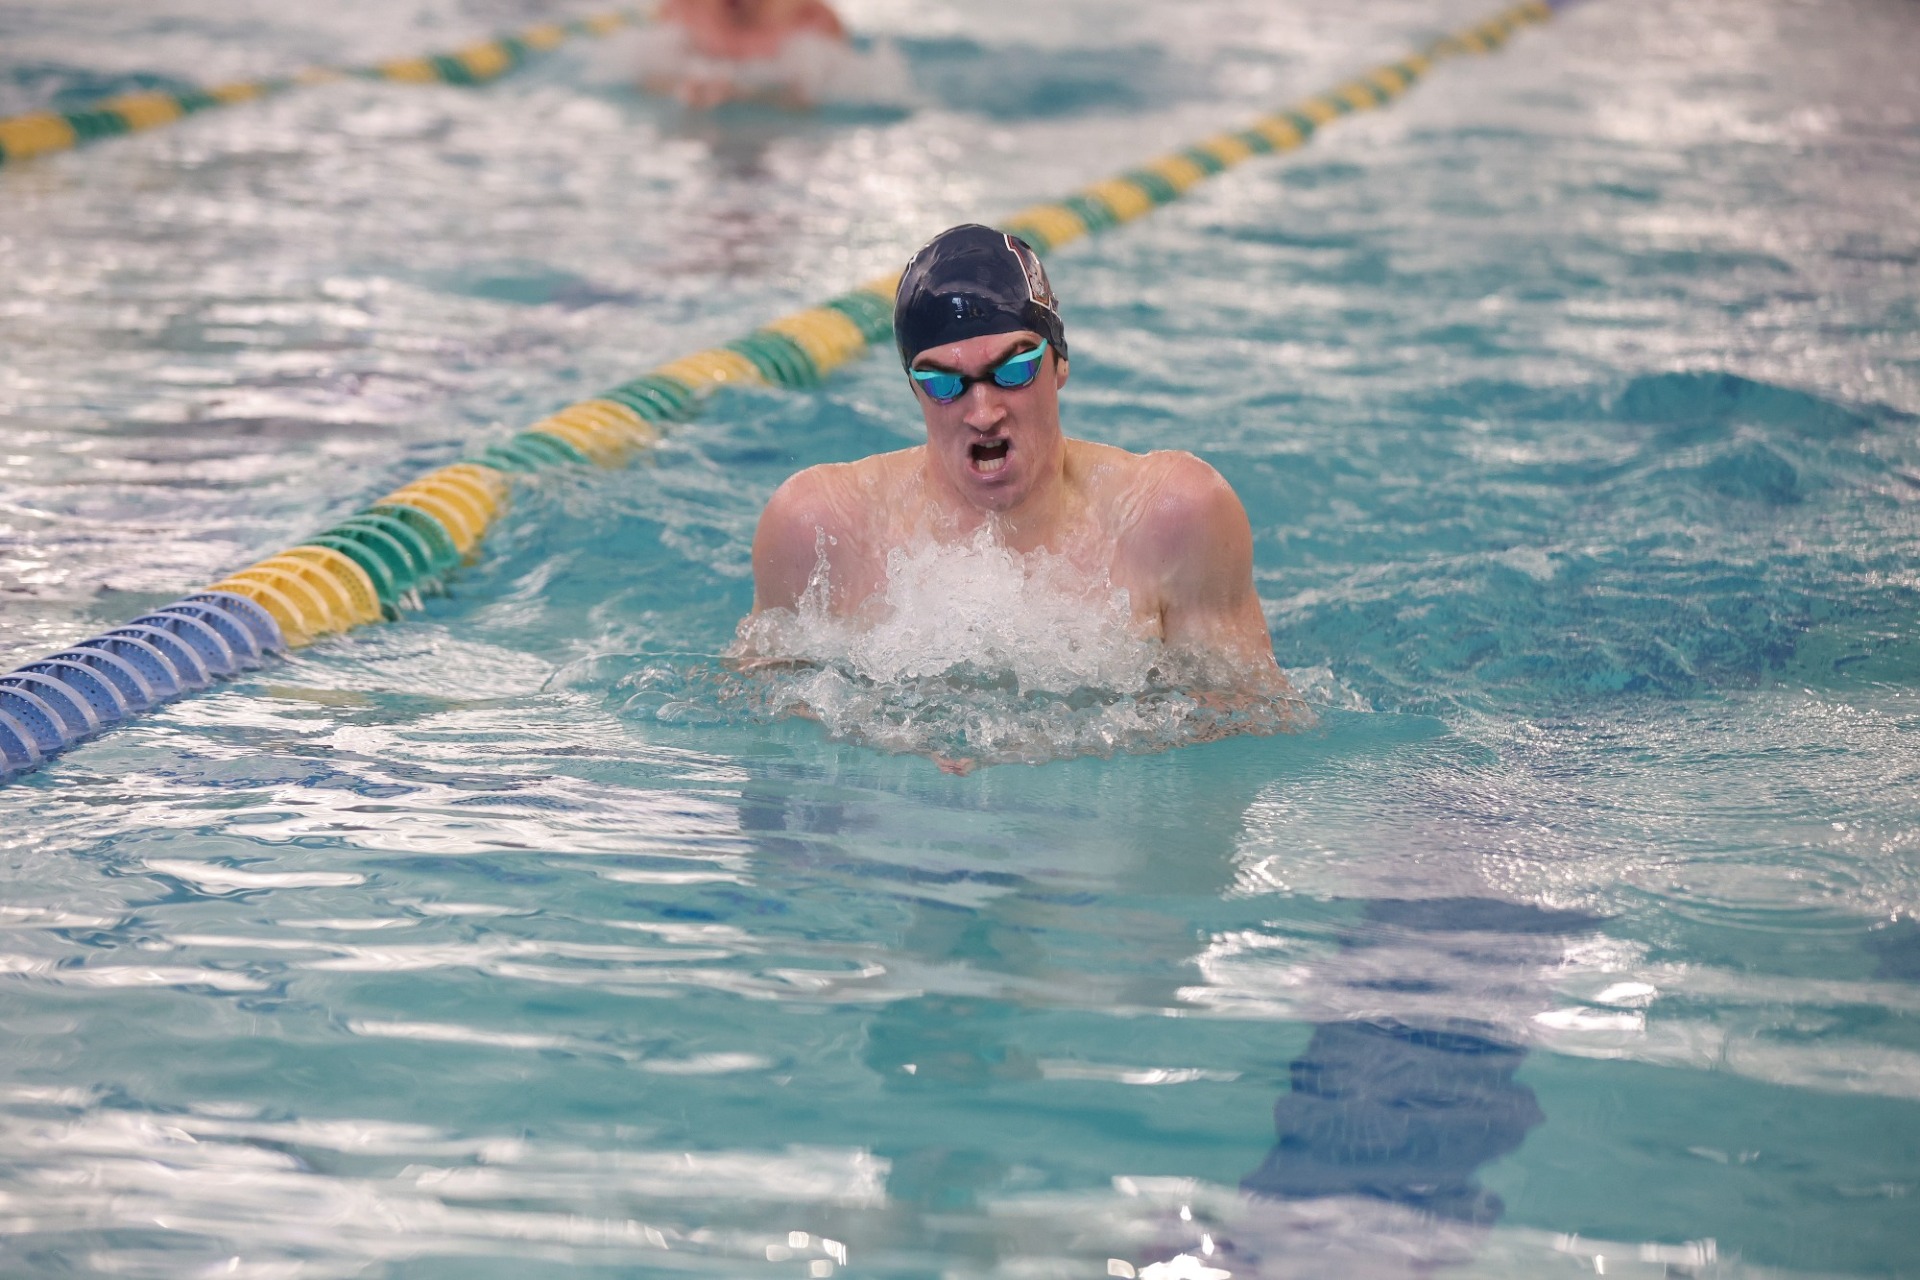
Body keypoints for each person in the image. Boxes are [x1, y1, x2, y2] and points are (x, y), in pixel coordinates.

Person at [745, 223, 1290, 701]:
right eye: (943, 383)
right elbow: (762, 733)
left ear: (1059, 363)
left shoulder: (1173, 518)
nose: (983, 413)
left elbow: (1246, 728)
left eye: (1013, 370)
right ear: (913, 390)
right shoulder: (820, 529)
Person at [646, 0, 849, 109]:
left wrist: (745, 94)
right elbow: (646, 80)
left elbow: (813, 102)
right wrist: (678, 88)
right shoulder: (683, 9)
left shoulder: (809, 17)